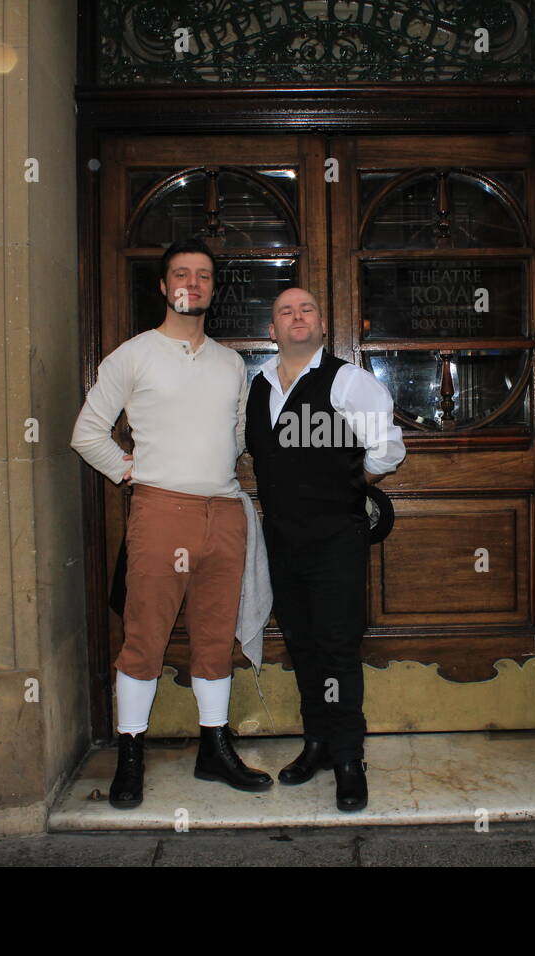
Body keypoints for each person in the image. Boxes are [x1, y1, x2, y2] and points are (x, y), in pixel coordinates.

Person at [70, 237, 272, 809]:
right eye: (181, 274)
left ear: (213, 288)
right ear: (163, 287)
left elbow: (236, 438)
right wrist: (129, 472)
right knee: (145, 636)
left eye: (204, 275)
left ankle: (215, 747)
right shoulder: (132, 356)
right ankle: (130, 755)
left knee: (214, 636)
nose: (193, 283)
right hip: (162, 511)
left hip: (225, 512)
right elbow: (87, 432)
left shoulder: (232, 363)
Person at [245, 287, 405, 811]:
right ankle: (315, 742)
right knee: (302, 643)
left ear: (320, 324)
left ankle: (347, 757)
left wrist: (344, 483)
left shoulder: (349, 381)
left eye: (306, 309)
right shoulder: (259, 385)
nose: (296, 316)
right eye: (285, 310)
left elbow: (388, 449)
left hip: (336, 537)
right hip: (282, 538)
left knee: (336, 646)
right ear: (273, 329)